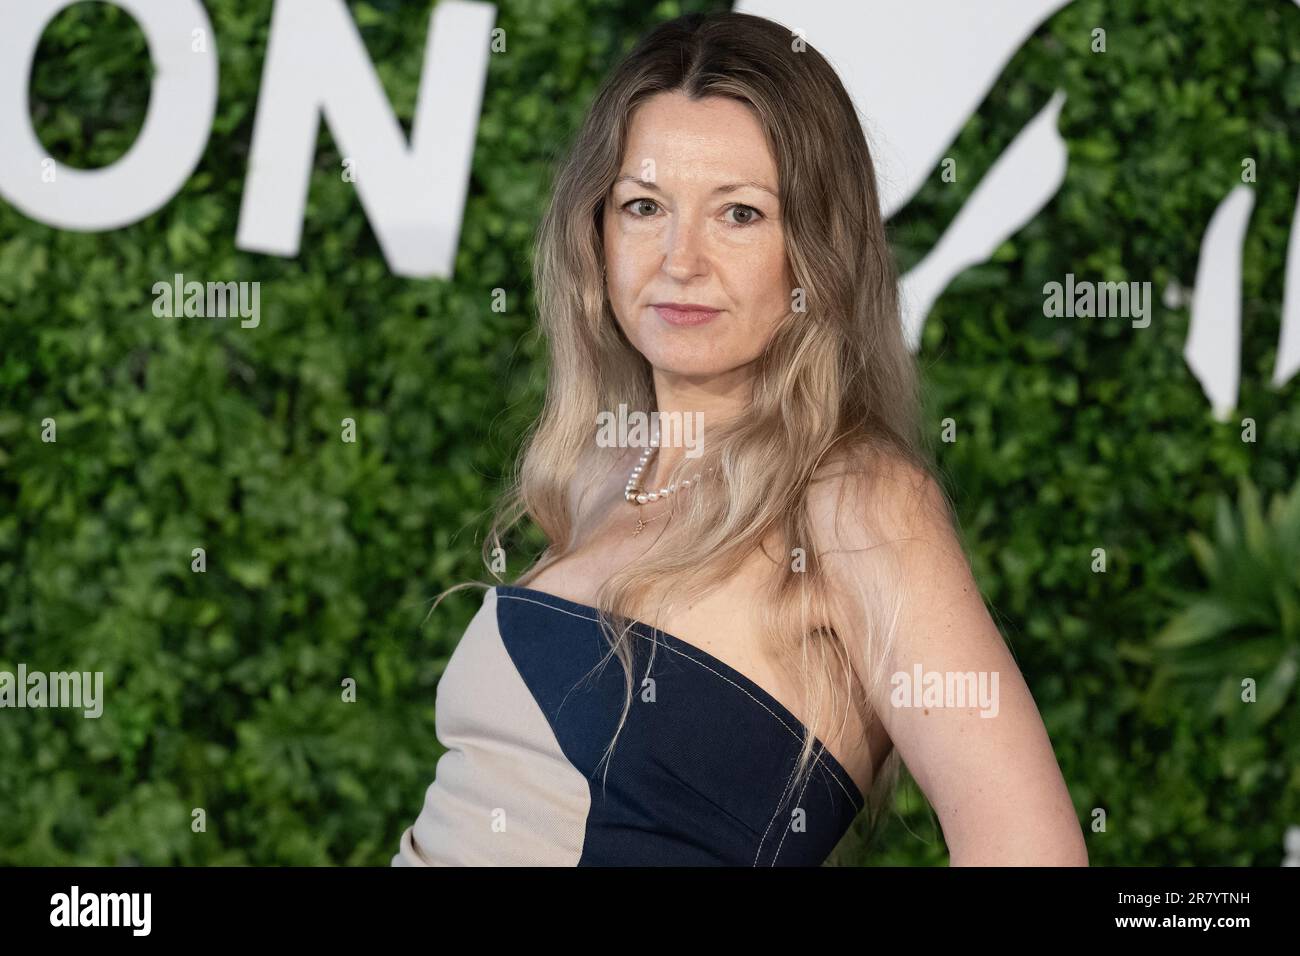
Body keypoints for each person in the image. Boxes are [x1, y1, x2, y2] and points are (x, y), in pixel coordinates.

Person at [393, 10, 1088, 866]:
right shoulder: (597, 471)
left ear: (816, 247)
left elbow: (1032, 853)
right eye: (645, 206)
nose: (681, 260)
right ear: (596, 232)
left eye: (740, 215)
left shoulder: (858, 504)